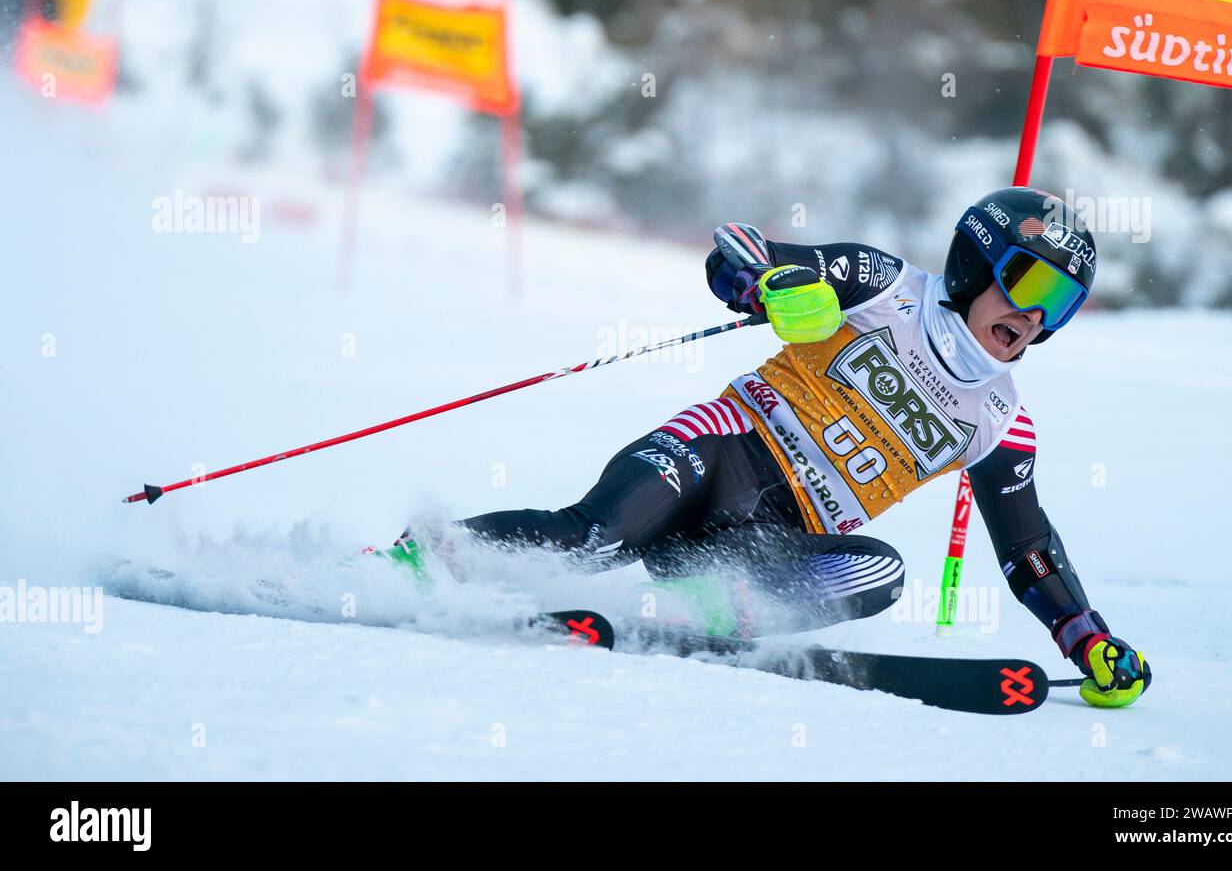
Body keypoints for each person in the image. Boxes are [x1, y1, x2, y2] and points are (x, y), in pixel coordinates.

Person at [391, 186, 1151, 709]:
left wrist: (1086, 638)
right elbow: (741, 249)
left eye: (1061, 304)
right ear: (974, 264)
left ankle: (702, 608)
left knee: (882, 569)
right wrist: (768, 284)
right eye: (1026, 283)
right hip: (720, 452)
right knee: (590, 536)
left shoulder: (1000, 421)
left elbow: (1029, 548)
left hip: (765, 540)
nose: (1032, 316)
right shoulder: (887, 287)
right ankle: (414, 560)